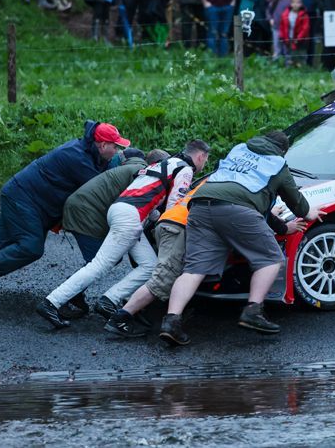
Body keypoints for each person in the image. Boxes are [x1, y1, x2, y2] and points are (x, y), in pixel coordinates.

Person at [0, 122, 129, 304]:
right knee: (30, 247)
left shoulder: (87, 153)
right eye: (115, 146)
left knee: (0, 245)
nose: (117, 150)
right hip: (24, 199)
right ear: (102, 145)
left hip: (25, 196)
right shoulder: (78, 158)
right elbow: (98, 191)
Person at [159, 132, 325, 345]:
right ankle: (253, 311)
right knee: (271, 258)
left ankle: (171, 321)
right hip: (235, 210)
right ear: (283, 150)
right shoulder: (277, 164)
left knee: (194, 269)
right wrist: (309, 212)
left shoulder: (238, 150)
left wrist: (282, 226)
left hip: (200, 205)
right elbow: (296, 201)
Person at [37, 141, 210, 328]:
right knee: (100, 264)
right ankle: (51, 302)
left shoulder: (162, 164)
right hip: (131, 217)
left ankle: (110, 301)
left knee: (149, 266)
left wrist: (156, 217)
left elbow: (147, 196)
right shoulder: (184, 170)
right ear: (200, 156)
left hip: (121, 210)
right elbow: (174, 204)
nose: (204, 166)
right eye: (205, 161)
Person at [51, 147, 167, 319]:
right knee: (99, 261)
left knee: (107, 260)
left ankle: (74, 297)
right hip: (86, 211)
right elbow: (136, 202)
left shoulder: (130, 168)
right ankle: (61, 299)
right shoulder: (142, 173)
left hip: (88, 208)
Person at [278, 0, 311, 65]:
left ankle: (302, 69)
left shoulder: (304, 14)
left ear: (301, 4)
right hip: (289, 39)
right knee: (289, 56)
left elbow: (305, 28)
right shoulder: (285, 14)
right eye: (293, 2)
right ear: (290, 3)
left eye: (298, 2)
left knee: (301, 55)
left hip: (301, 41)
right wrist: (282, 36)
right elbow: (282, 26)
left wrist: (298, 39)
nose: (295, 4)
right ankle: (289, 70)